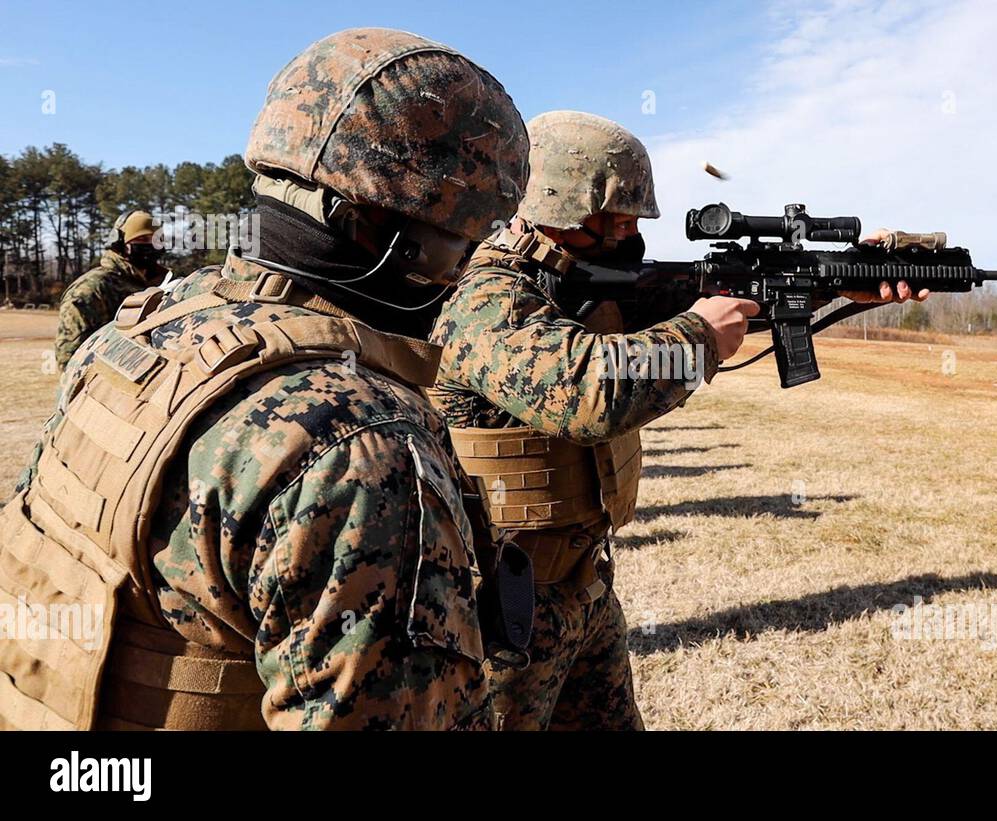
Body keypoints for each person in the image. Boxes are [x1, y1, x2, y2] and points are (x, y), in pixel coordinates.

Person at [0, 27, 529, 731]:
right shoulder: (360, 446)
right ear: (395, 235)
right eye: (467, 240)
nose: (467, 270)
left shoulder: (143, 325)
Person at [430, 110, 927, 730]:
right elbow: (588, 391)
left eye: (632, 220)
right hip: (500, 606)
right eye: (611, 220)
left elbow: (707, 295)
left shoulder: (583, 280)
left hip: (583, 585)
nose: (626, 233)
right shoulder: (486, 295)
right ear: (555, 204)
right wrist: (698, 338)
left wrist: (838, 278)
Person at [54, 210, 169, 370]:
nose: (149, 245)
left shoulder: (163, 285)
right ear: (120, 243)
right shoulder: (92, 288)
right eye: (142, 239)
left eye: (155, 240)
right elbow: (70, 359)